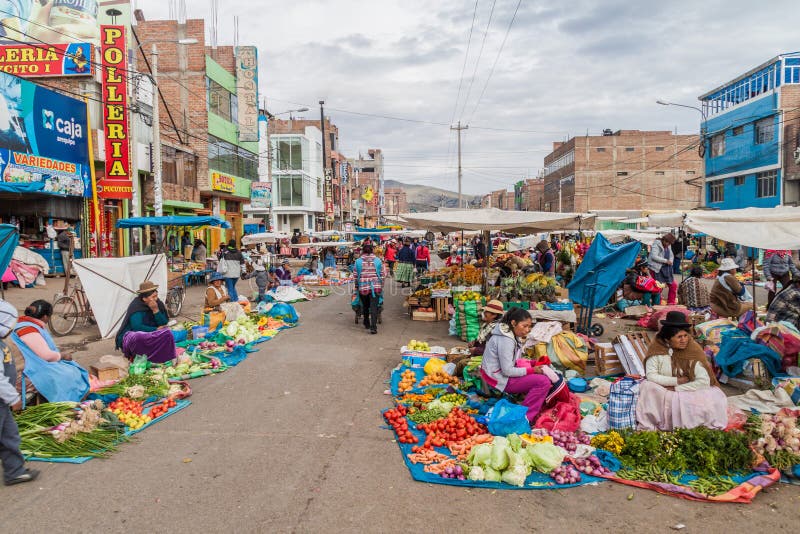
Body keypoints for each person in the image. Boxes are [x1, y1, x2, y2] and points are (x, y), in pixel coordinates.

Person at [636, 311, 727, 431]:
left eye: (685, 336)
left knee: (709, 399)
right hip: (663, 390)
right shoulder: (657, 349)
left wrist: (677, 388)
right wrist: (677, 380)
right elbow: (651, 375)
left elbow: (704, 381)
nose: (684, 340)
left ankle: (679, 423)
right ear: (668, 339)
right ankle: (658, 421)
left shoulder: (692, 350)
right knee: (647, 386)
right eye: (679, 337)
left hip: (688, 390)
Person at [480, 308, 563, 424]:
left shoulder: (510, 333)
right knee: (543, 381)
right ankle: (525, 417)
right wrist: (532, 370)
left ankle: (529, 408)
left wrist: (533, 364)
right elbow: (507, 371)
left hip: (498, 374)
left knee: (540, 376)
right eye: (524, 326)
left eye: (529, 327)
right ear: (513, 323)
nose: (527, 330)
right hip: (498, 379)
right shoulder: (506, 340)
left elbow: (514, 361)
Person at [0, 300, 39, 486]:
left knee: (10, 435)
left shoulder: (1, 344)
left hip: (2, 402)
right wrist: (13, 397)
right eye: (10, 324)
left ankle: (14, 471)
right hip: (2, 398)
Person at [115, 281, 176, 364]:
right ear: (144, 298)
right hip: (133, 335)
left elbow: (164, 323)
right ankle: (139, 358)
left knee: (167, 332)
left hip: (150, 334)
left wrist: (155, 310)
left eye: (156, 296)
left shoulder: (158, 303)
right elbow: (137, 327)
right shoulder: (136, 306)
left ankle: (162, 356)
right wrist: (155, 329)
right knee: (138, 336)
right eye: (153, 297)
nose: (156, 299)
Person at [355, 243, 384, 334]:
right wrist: (381, 284)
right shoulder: (378, 260)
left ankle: (366, 322)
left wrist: (357, 285)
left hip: (363, 287)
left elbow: (355, 275)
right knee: (374, 307)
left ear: (363, 251)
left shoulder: (358, 261)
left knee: (365, 306)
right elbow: (382, 274)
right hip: (375, 287)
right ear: (372, 251)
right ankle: (373, 328)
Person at [648, 233, 677, 305]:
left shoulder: (668, 245)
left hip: (666, 269)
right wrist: (666, 261)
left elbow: (671, 255)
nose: (668, 244)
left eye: (669, 243)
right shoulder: (656, 244)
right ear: (663, 240)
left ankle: (671, 302)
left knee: (673, 285)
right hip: (656, 269)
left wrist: (671, 261)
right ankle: (658, 303)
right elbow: (653, 256)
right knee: (658, 287)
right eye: (667, 242)